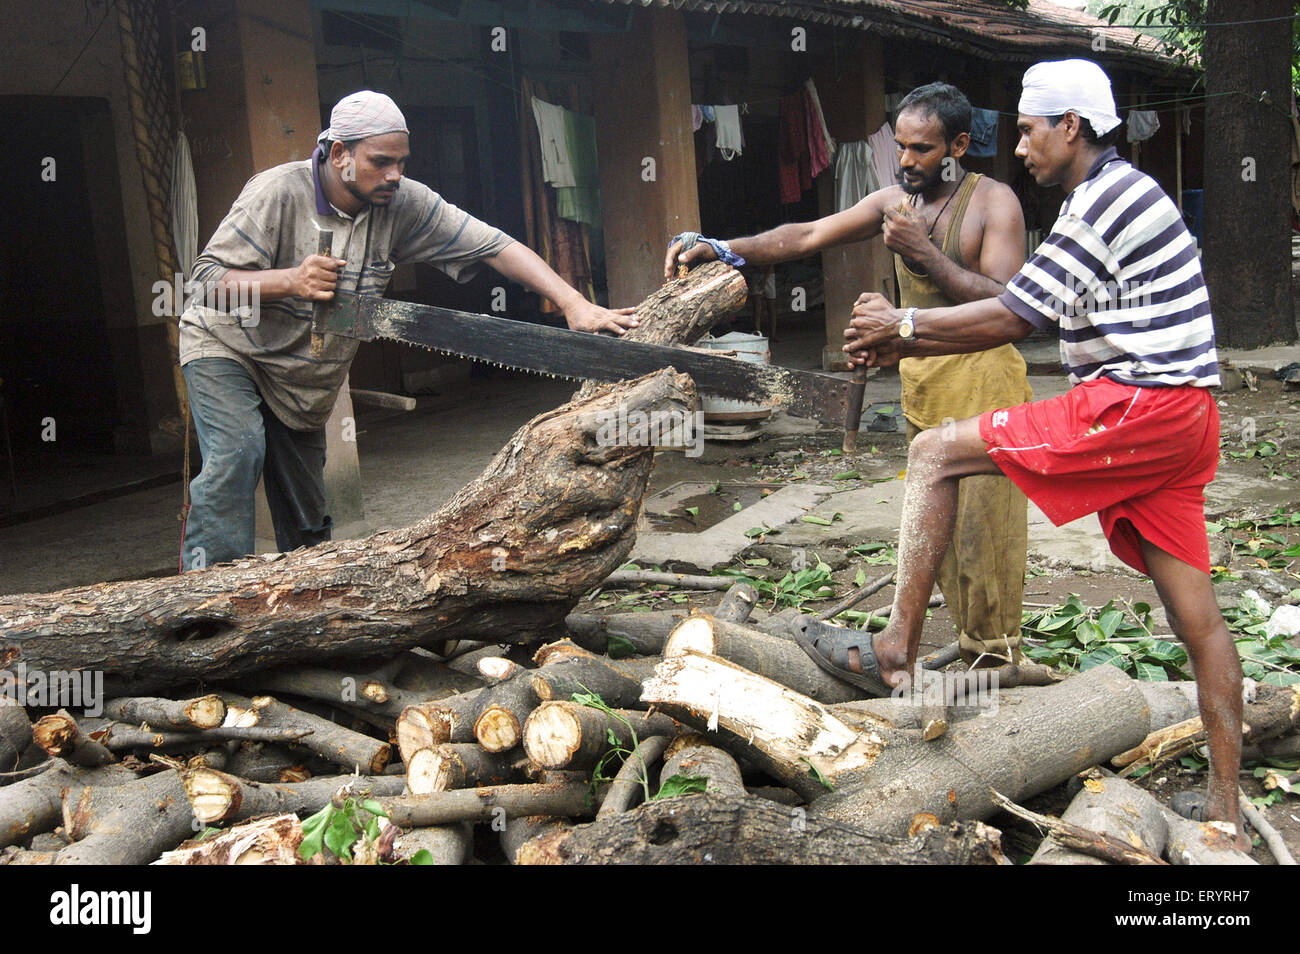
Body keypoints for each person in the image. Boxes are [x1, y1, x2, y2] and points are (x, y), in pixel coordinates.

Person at [807, 60, 1247, 847]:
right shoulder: (1118, 193)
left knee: (939, 454)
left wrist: (898, 330)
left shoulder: (1100, 200)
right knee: (1198, 619)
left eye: (1029, 129)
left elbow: (1013, 315)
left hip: (1138, 406)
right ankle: (1225, 810)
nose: (1019, 145)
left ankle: (895, 649)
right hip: (1187, 415)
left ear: (1070, 126)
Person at [178, 90, 636, 572]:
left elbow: (494, 246)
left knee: (308, 518)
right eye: (381, 161)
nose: (395, 174)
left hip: (301, 379)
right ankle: (198, 609)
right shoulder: (275, 192)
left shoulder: (403, 202)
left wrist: (573, 303)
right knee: (237, 457)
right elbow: (205, 285)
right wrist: (291, 280)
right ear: (340, 155)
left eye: (401, 162)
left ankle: (308, 610)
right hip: (230, 348)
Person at [666, 83, 1033, 666]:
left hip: (987, 388)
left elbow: (1008, 305)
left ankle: (995, 660)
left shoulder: (995, 203)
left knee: (984, 535)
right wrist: (722, 247)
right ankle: (954, 650)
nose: (907, 160)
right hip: (924, 391)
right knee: (932, 537)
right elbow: (807, 234)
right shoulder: (893, 200)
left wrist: (924, 252)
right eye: (903, 147)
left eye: (923, 149)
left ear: (959, 145)